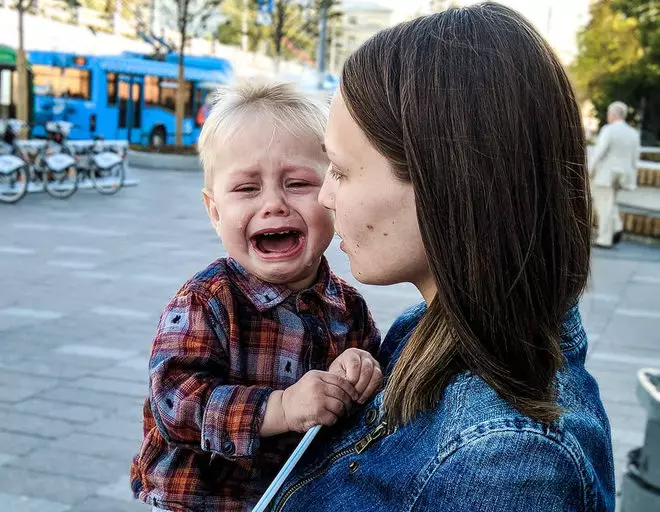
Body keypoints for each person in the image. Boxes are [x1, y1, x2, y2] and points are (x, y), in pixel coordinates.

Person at [268, 4, 615, 511]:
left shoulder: (508, 463)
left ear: (447, 183)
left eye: (340, 171)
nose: (324, 197)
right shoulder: (428, 330)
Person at [130, 82, 383, 512]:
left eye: (298, 183)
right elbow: (174, 401)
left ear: (332, 195)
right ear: (215, 211)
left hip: (296, 496)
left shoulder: (348, 306)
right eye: (247, 189)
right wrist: (280, 407)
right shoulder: (205, 300)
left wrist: (360, 370)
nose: (273, 205)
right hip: (200, 501)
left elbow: (369, 397)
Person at [589, 101, 641, 248]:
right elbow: (635, 157)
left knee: (604, 204)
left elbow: (599, 152)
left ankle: (605, 239)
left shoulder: (609, 130)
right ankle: (616, 227)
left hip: (607, 173)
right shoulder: (633, 133)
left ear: (613, 114)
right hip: (623, 175)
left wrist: (590, 169)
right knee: (610, 201)